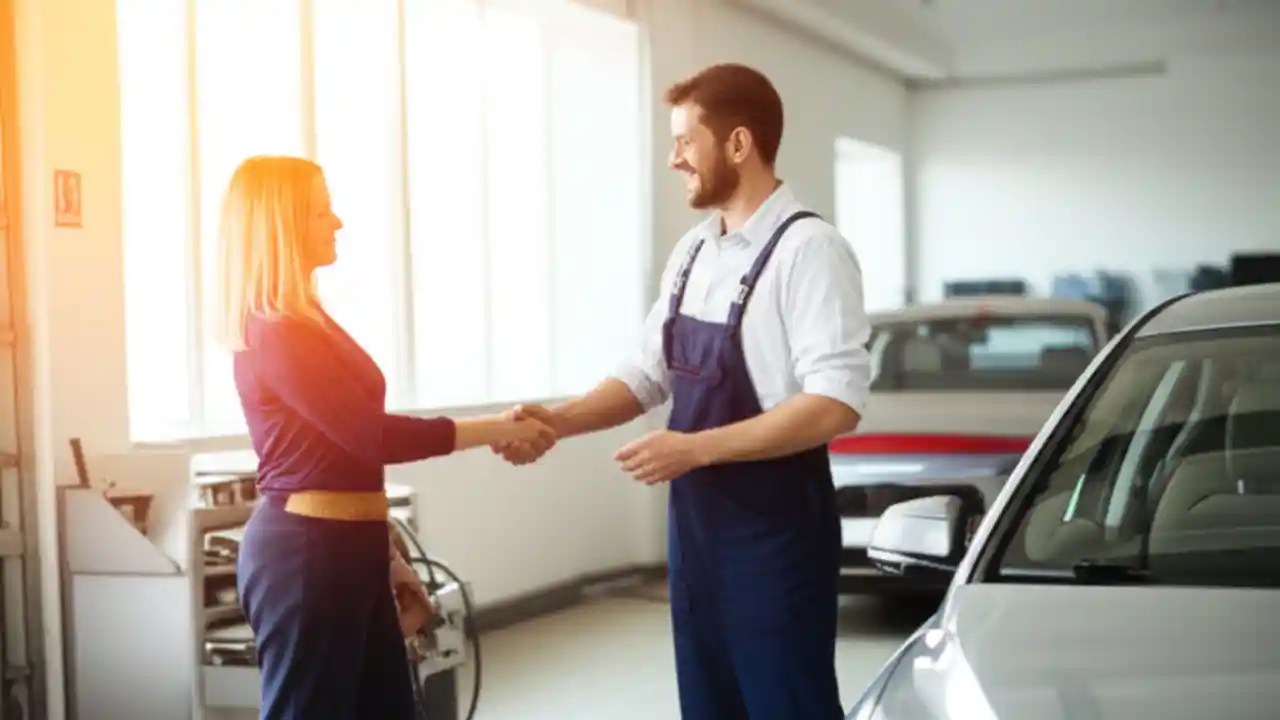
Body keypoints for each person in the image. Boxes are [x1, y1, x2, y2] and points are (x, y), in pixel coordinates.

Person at [495, 64, 871, 719]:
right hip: (698, 534)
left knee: (787, 703)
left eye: (684, 141)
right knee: (709, 703)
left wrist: (695, 449)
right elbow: (647, 375)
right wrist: (560, 421)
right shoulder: (695, 252)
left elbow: (833, 403)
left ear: (737, 144)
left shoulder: (809, 250)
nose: (673, 159)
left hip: (776, 534)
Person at [216, 155, 554, 719]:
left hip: (348, 549)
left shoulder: (309, 322)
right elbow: (367, 437)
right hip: (305, 557)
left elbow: (343, 458)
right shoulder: (275, 333)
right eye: (322, 211)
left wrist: (386, 552)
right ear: (284, 224)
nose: (338, 222)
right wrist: (496, 428)